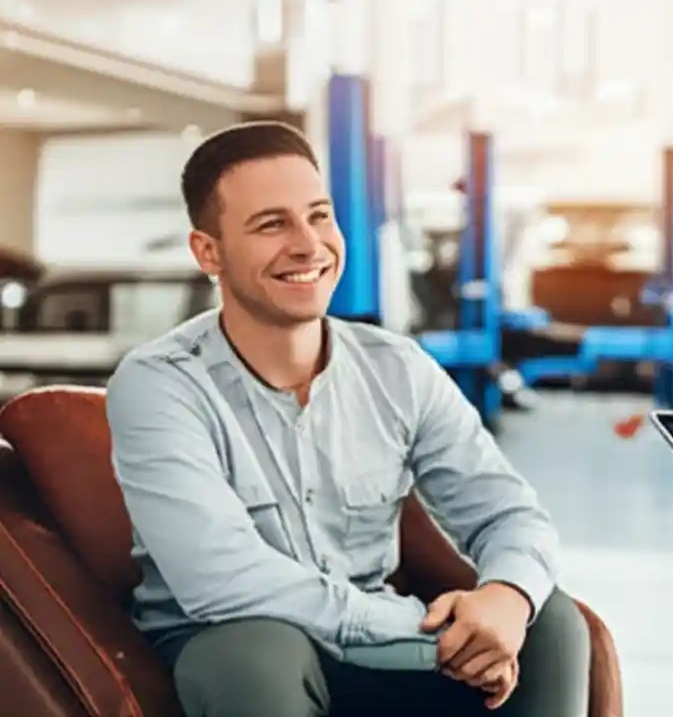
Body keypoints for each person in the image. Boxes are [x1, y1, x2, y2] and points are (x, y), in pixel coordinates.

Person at [106, 121, 590, 716]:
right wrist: (428, 633)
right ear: (209, 251)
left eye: (319, 216)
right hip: (233, 646)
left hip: (384, 649)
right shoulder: (159, 384)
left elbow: (511, 513)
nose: (309, 245)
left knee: (553, 621)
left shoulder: (398, 368)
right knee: (255, 651)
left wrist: (506, 600)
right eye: (272, 224)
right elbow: (223, 581)